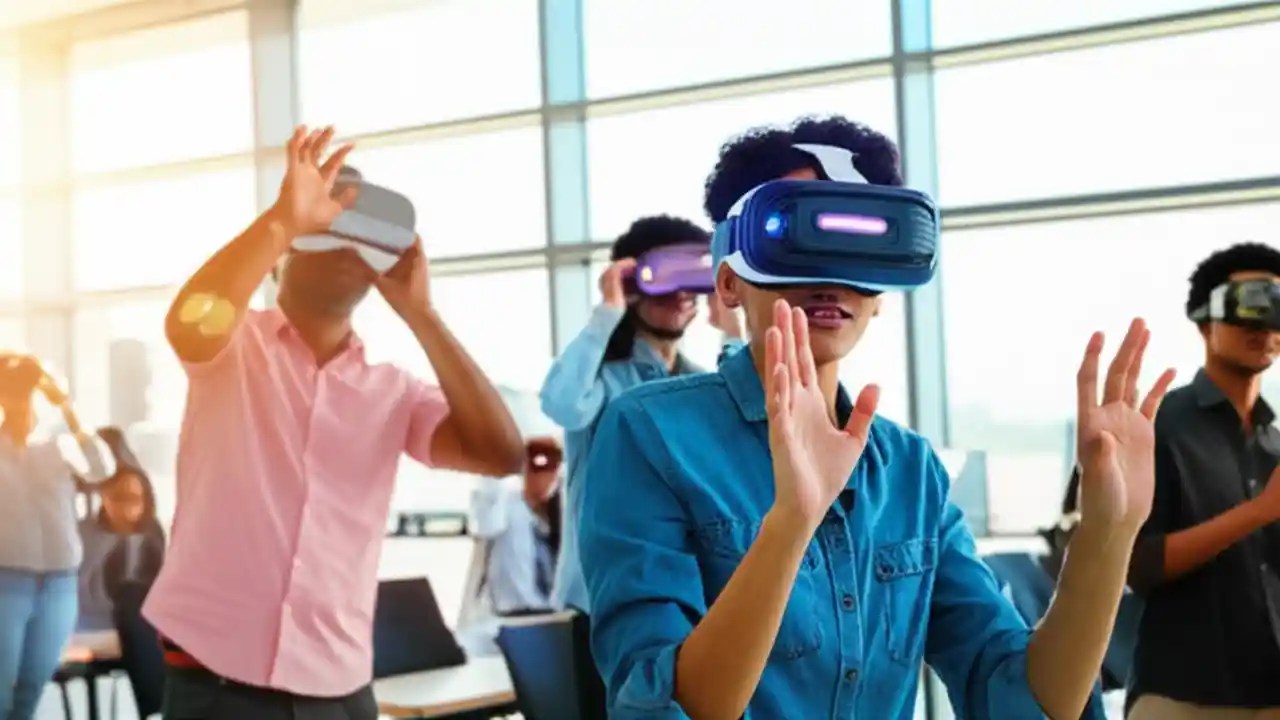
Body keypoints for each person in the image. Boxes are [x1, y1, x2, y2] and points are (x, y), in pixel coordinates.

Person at [578, 115, 1176, 719]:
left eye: (861, 250)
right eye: (797, 240)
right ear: (729, 283)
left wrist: (1107, 533)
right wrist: (791, 522)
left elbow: (1018, 700)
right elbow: (654, 705)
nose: (832, 278)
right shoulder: (649, 434)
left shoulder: (910, 471)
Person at [142, 126, 524, 720]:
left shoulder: (393, 391)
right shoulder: (233, 350)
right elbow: (190, 323)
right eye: (327, 230)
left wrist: (422, 314)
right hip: (214, 684)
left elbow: (502, 454)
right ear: (283, 259)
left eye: (362, 236)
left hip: (340, 691)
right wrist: (281, 222)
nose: (348, 247)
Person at [540, 215, 742, 614]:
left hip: (680, 598)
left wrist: (733, 332)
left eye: (693, 277)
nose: (682, 293)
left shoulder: (701, 384)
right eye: (668, 277)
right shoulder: (604, 382)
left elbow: (743, 441)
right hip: (597, 602)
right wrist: (609, 309)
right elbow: (561, 404)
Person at [1125, 243, 1280, 719]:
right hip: (1182, 699)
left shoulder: (1274, 444)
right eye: (1248, 305)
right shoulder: (1159, 425)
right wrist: (1255, 514)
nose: (1263, 325)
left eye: (1276, 307)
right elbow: (1136, 565)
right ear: (1204, 320)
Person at [0, 354, 107, 720]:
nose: (17, 398)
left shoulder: (57, 444)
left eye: (24, 389)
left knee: (30, 691)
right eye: (9, 389)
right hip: (6, 582)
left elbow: (101, 468)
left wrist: (65, 405)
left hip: (59, 586)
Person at [76, 427, 165, 633]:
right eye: (117, 498)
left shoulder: (149, 533)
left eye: (132, 500)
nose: (124, 507)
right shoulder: (85, 533)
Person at [469, 436, 561, 618]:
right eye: (534, 470)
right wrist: (498, 465)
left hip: (550, 613)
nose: (541, 478)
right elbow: (484, 523)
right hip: (512, 614)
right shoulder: (506, 506)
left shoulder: (558, 514)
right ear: (524, 469)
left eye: (548, 471)